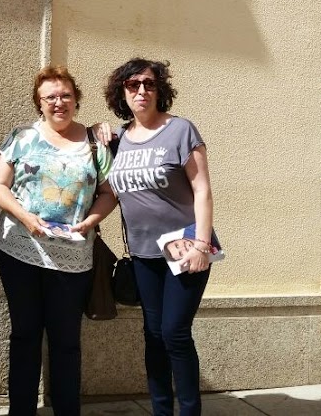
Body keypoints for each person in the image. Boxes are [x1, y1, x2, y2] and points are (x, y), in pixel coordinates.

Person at [0, 66, 115, 416]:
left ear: (76, 99)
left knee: (65, 342)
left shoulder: (95, 142)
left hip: (73, 257)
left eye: (65, 95)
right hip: (20, 250)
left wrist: (92, 219)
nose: (58, 103)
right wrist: (25, 216)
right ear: (39, 103)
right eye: (50, 97)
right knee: (25, 335)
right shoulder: (21, 136)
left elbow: (108, 193)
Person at [103, 58, 215, 416]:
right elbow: (108, 187)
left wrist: (201, 244)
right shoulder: (117, 139)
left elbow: (202, 191)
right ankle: (162, 411)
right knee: (152, 336)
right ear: (122, 92)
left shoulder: (181, 131)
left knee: (174, 333)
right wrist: (96, 129)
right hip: (143, 254)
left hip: (186, 249)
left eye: (148, 84)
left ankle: (190, 411)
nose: (141, 90)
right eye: (132, 84)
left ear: (159, 90)